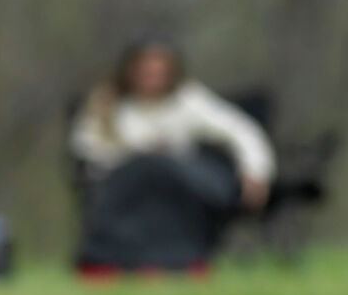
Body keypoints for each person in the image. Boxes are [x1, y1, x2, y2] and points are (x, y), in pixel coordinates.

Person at [69, 37, 276, 273]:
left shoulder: (187, 101)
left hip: (179, 190)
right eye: (145, 71)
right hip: (127, 191)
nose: (152, 77)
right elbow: (88, 150)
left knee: (169, 174)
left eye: (159, 71)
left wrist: (256, 171)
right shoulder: (108, 104)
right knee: (143, 173)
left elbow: (242, 131)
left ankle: (178, 260)